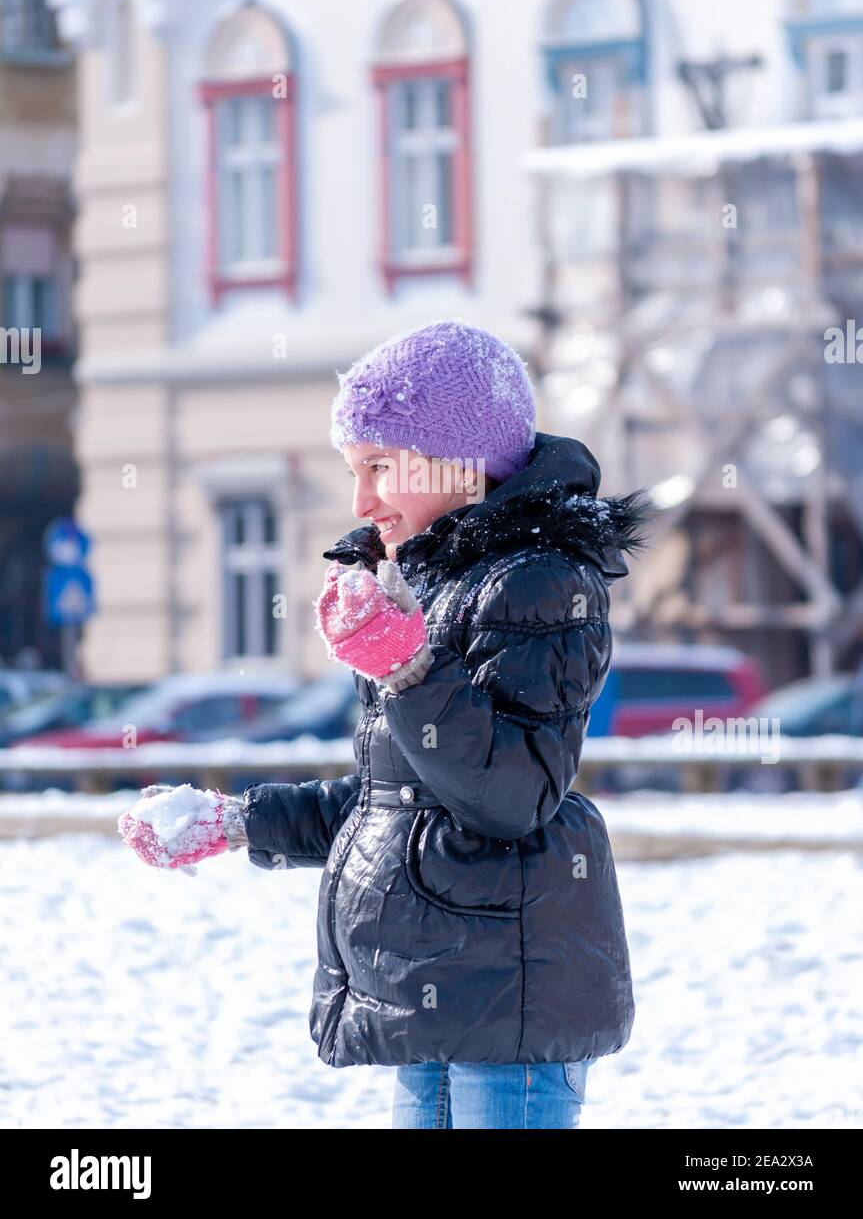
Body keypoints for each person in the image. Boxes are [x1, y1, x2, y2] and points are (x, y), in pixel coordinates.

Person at [119, 318, 654, 1130]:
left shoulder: (535, 583)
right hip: (435, 990)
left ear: (459, 464)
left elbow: (510, 797)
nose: (362, 501)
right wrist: (236, 822)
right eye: (352, 471)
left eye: (379, 468)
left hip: (507, 999)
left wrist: (407, 670)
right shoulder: (428, 583)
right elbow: (396, 799)